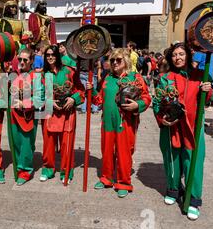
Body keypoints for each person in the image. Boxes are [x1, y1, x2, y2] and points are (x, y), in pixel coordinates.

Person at [152, 43, 213, 220]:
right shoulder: (165, 78)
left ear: (187, 55)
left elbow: (211, 100)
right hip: (171, 127)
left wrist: (207, 91)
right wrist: (161, 119)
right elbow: (157, 103)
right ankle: (173, 189)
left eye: (181, 54)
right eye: (174, 55)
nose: (178, 58)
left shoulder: (200, 76)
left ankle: (193, 199)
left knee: (192, 162)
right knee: (172, 159)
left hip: (193, 127)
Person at [88, 48, 151, 198]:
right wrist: (91, 92)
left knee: (124, 152)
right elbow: (99, 101)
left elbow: (147, 97)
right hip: (108, 121)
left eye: (118, 60)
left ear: (126, 61)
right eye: (112, 60)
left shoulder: (135, 77)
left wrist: (138, 105)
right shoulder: (107, 78)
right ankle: (106, 178)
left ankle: (123, 182)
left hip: (126, 123)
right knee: (107, 150)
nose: (115, 63)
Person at [41, 45, 84, 183]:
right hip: (49, 113)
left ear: (58, 56)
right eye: (47, 55)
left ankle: (66, 171)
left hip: (67, 114)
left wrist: (73, 99)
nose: (50, 57)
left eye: (52, 54)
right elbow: (38, 94)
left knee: (67, 144)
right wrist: (48, 101)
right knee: (48, 143)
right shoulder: (43, 74)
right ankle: (48, 169)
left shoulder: (69, 71)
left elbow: (80, 90)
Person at [9, 48, 44, 185]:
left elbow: (40, 99)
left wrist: (23, 104)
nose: (22, 62)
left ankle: (26, 171)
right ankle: (19, 166)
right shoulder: (14, 75)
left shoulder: (35, 77)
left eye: (25, 60)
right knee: (16, 144)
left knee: (26, 145)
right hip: (13, 116)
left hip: (27, 116)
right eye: (20, 59)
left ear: (31, 62)